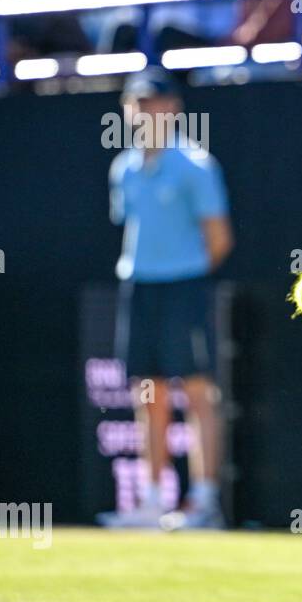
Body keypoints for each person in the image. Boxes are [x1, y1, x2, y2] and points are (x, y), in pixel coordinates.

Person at [101, 68, 234, 531]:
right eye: (136, 103)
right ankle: (153, 501)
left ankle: (204, 501)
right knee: (148, 394)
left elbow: (218, 239)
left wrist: (184, 272)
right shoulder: (125, 168)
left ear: (174, 108)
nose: (143, 112)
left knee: (197, 391)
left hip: (184, 286)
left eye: (153, 102)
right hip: (140, 286)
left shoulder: (196, 166)